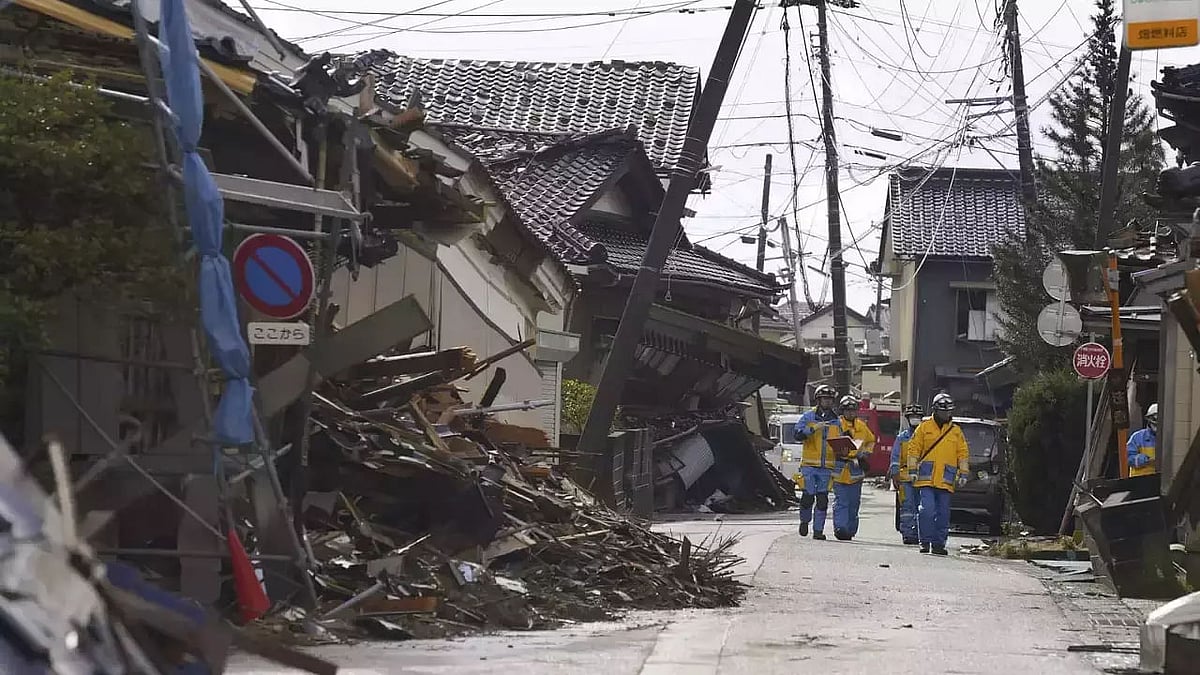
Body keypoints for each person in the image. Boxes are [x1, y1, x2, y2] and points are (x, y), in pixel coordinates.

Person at [909, 393, 969, 555]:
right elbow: (914, 449)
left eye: (949, 411)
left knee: (943, 513)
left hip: (946, 479)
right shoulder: (924, 428)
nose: (946, 414)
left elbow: (962, 453)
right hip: (926, 479)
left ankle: (939, 544)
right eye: (943, 411)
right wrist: (912, 470)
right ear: (935, 410)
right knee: (926, 510)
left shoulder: (956, 431)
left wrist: (963, 473)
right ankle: (925, 541)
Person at [792, 384, 842, 540]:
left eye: (830, 400)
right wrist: (813, 429)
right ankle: (804, 521)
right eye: (824, 399)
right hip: (809, 465)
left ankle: (818, 531)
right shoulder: (808, 417)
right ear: (818, 400)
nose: (827, 402)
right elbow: (797, 434)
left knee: (822, 499)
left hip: (827, 467)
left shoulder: (836, 421)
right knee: (808, 496)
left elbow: (840, 444)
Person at [832, 394, 875, 541]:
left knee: (854, 502)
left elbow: (871, 441)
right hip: (840, 466)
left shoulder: (862, 427)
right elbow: (828, 442)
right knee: (841, 500)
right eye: (847, 410)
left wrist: (866, 453)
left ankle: (850, 529)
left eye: (853, 410)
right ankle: (841, 528)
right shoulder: (836, 425)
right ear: (842, 411)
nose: (850, 413)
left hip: (856, 467)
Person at [888, 404, 925, 546]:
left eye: (917, 417)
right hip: (904, 478)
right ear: (908, 419)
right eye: (912, 417)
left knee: (921, 507)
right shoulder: (902, 438)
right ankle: (909, 534)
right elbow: (895, 458)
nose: (915, 420)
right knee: (907, 507)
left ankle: (921, 534)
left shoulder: (927, 437)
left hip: (923, 478)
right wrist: (895, 475)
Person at [1128, 403, 1159, 477]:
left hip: (1159, 482)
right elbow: (1126, 458)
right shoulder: (1137, 437)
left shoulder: (1168, 438)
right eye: (1154, 418)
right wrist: (1144, 461)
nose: (1156, 422)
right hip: (1138, 482)